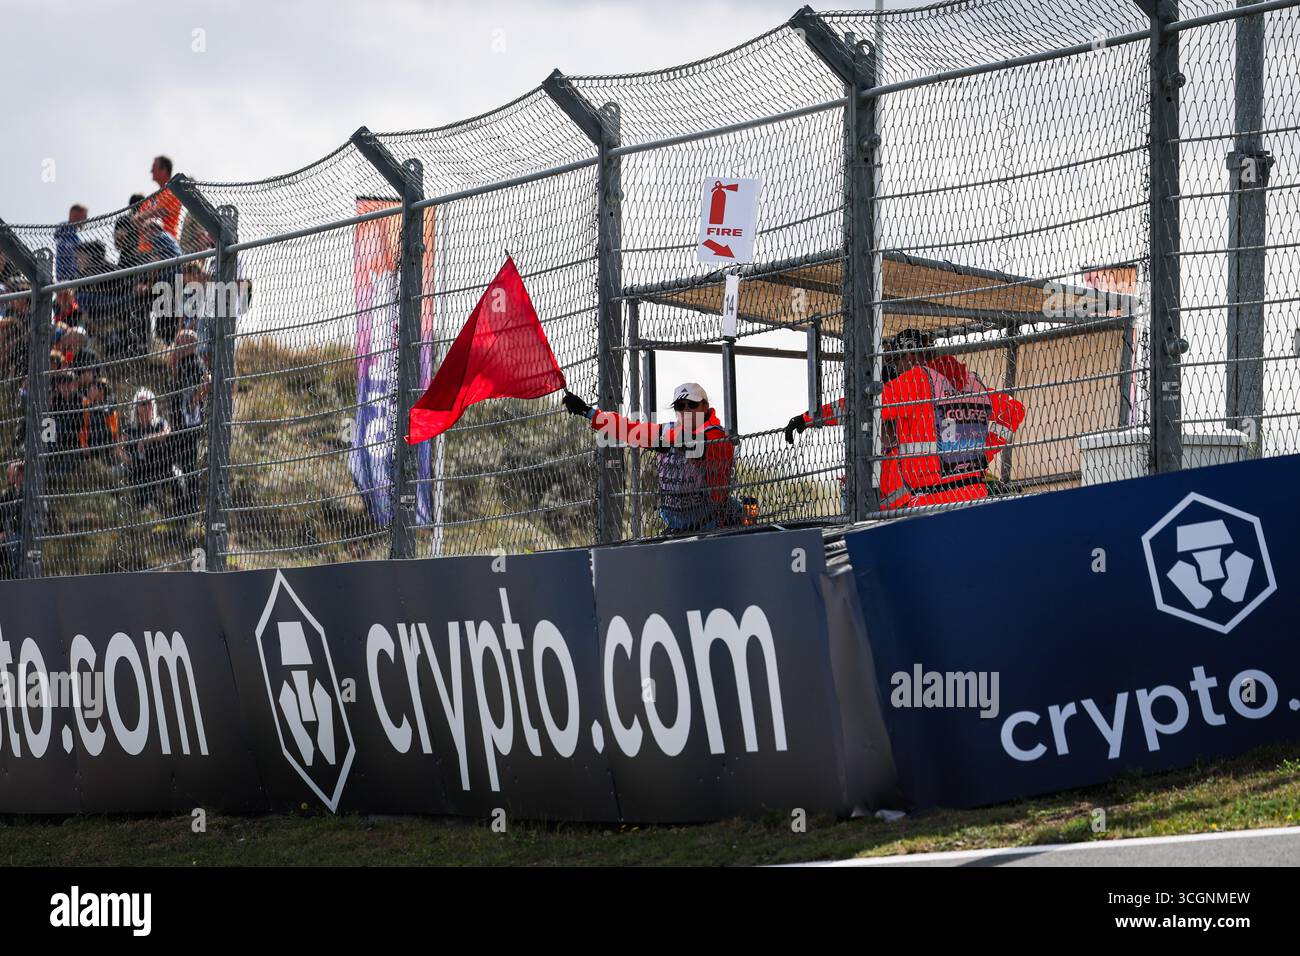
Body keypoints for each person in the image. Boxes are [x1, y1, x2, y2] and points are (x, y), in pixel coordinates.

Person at [784, 328, 1025, 511]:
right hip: (975, 496)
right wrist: (985, 453)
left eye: (897, 360)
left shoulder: (918, 381)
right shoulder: (972, 383)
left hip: (930, 504)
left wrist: (811, 417)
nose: (896, 370)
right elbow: (1014, 411)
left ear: (910, 355)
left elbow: (864, 408)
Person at [562, 381, 739, 534]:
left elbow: (701, 447)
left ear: (705, 407)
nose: (685, 411)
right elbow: (628, 429)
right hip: (678, 528)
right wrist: (589, 412)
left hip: (711, 525)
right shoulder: (668, 431)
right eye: (680, 406)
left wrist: (668, 441)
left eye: (691, 405)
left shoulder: (717, 435)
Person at [117, 388, 179, 511]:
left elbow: (167, 433)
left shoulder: (159, 423)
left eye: (150, 402)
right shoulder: (130, 428)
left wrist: (145, 439)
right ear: (136, 408)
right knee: (136, 478)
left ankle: (179, 512)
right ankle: (145, 509)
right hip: (137, 467)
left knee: (177, 476)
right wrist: (126, 458)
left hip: (160, 465)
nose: (147, 406)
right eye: (143, 404)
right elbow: (119, 447)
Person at [0, 462, 22, 579]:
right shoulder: (8, 495)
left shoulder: (27, 492)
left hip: (18, 533)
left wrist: (6, 533)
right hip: (9, 533)